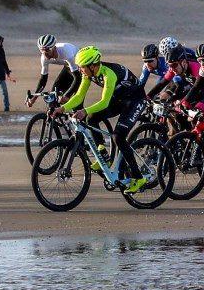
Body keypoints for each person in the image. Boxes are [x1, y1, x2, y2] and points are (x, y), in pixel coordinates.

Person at [52, 46, 152, 192]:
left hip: (135, 100)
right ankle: (104, 155)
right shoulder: (88, 74)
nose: (80, 70)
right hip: (119, 99)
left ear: (92, 66)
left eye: (82, 67)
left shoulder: (108, 74)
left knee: (118, 137)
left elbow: (104, 102)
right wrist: (62, 108)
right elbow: (79, 96)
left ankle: (138, 177)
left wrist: (84, 111)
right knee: (91, 118)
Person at [30, 34, 81, 107]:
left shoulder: (66, 52)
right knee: (53, 99)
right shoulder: (43, 58)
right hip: (68, 66)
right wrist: (34, 97)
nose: (44, 53)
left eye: (47, 50)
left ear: (54, 48)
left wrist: (67, 95)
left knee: (76, 104)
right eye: (41, 50)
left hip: (81, 66)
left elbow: (78, 78)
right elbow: (43, 79)